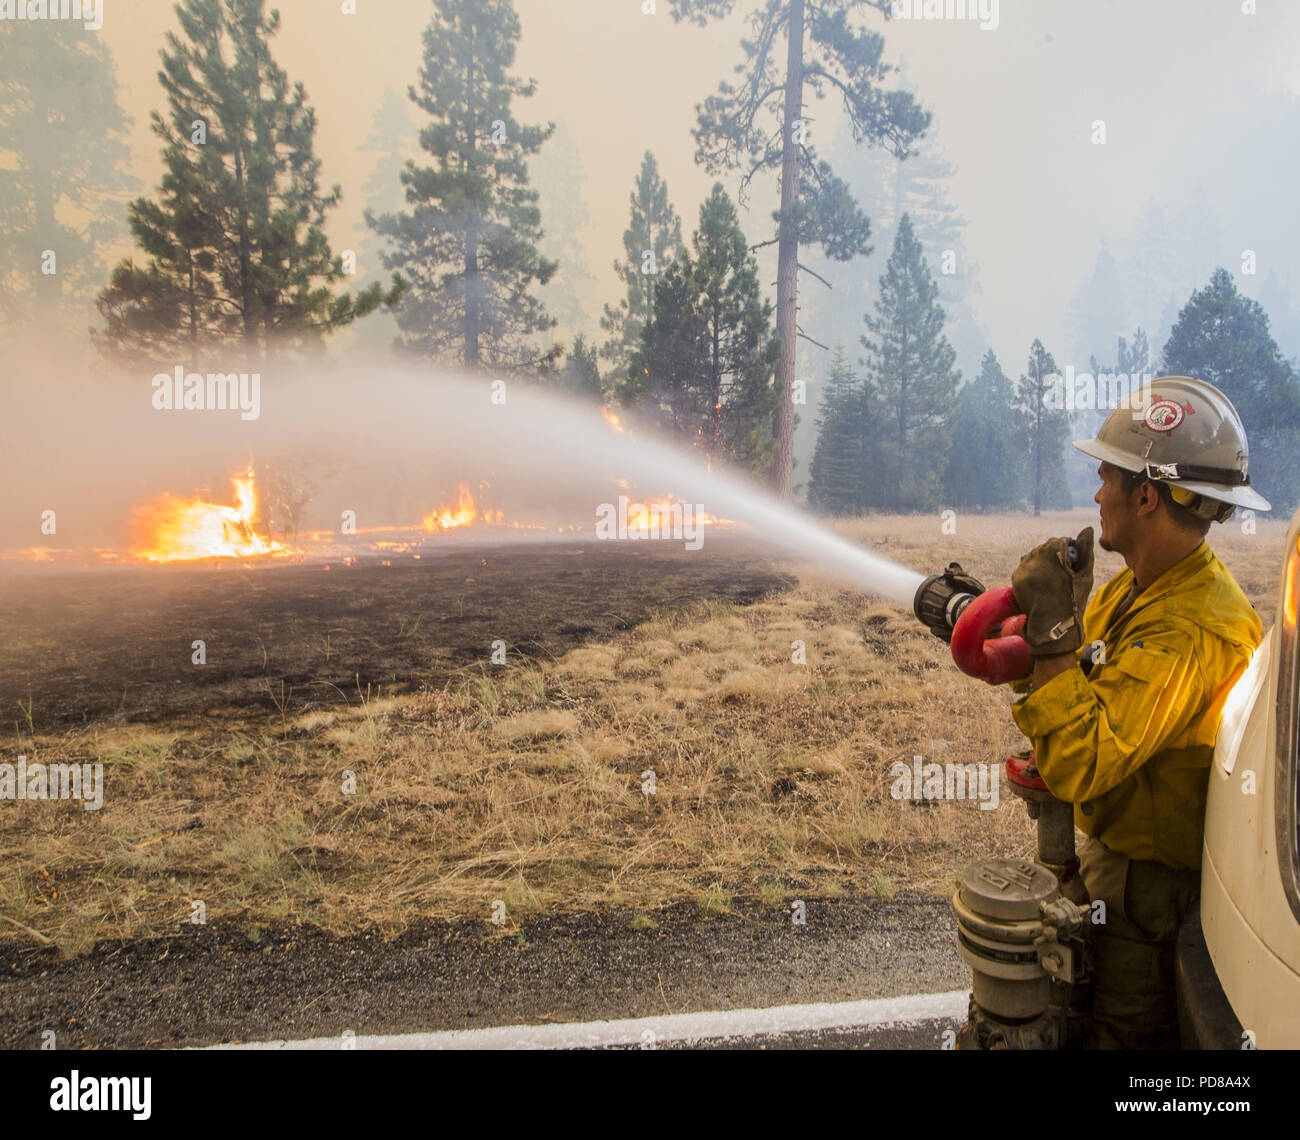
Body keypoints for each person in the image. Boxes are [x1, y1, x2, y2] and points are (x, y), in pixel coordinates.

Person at [1007, 375, 1271, 1049]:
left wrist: (1055, 640)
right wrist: (1028, 633)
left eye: (1106, 477)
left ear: (1146, 495)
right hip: (1112, 870)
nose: (1097, 493)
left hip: (1150, 905)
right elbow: (1083, 685)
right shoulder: (1140, 586)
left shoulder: (1192, 629)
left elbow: (1082, 760)